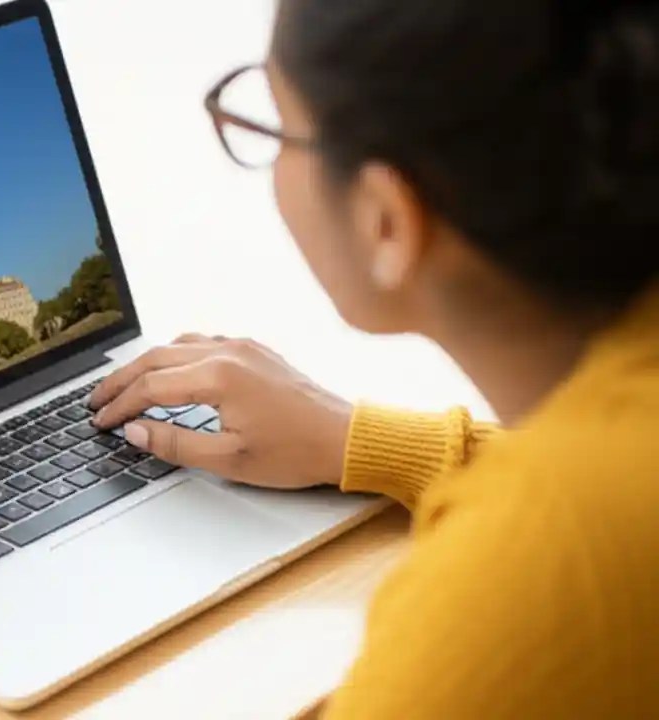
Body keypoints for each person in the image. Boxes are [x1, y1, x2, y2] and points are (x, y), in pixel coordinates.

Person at [88, 0, 659, 716]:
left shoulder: (519, 592)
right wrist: (358, 440)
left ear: (385, 220)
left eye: (278, 129)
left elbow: (565, 545)